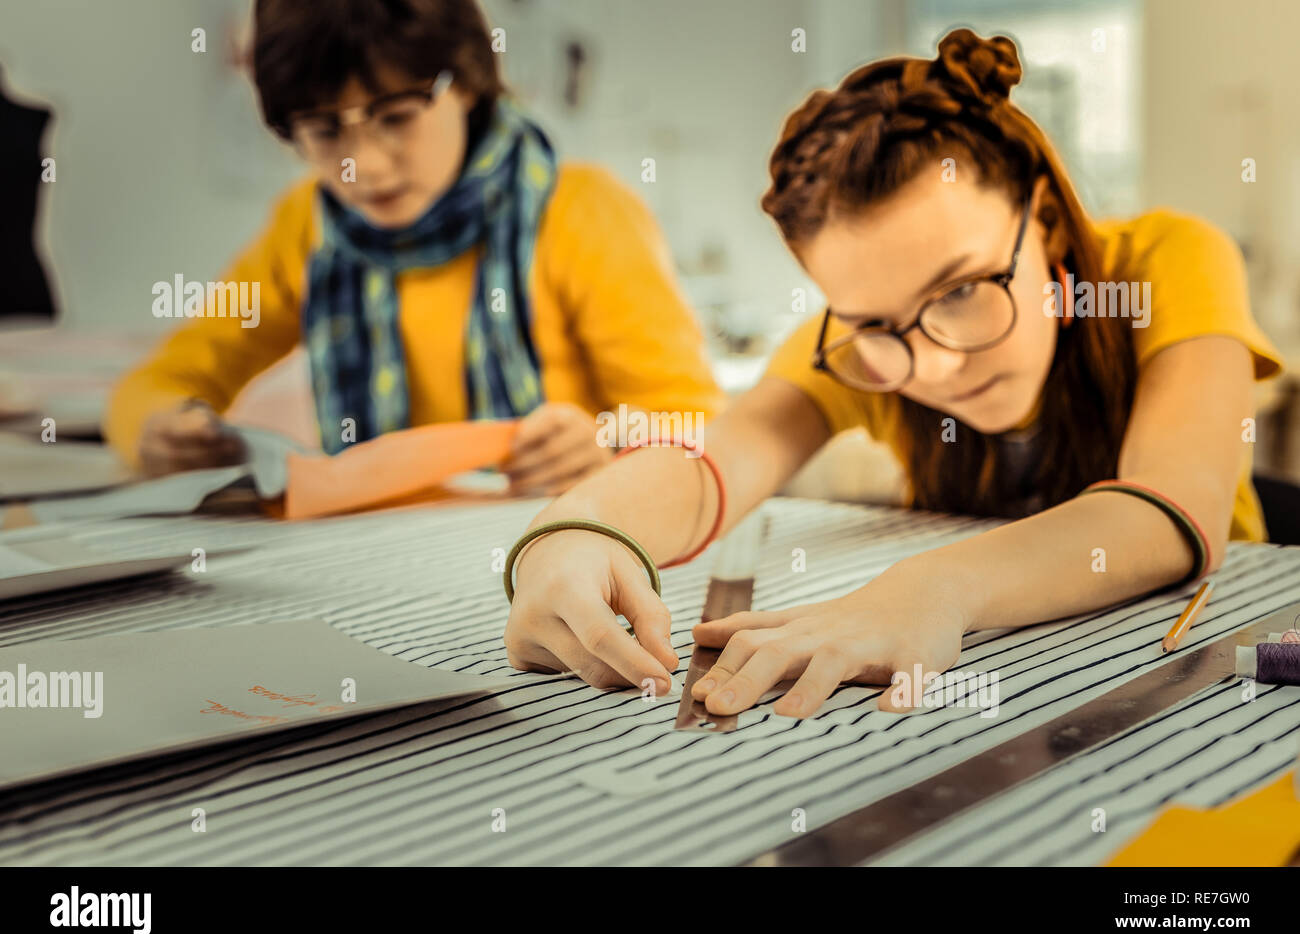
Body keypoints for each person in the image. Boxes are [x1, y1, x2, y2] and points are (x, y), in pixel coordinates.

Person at [500, 29, 1284, 718]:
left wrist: (934, 589)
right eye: (874, 323)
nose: (935, 362)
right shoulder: (852, 346)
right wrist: (576, 528)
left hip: (1228, 655)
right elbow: (712, 469)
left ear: (1042, 220)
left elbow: (1169, 506)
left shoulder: (1167, 264)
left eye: (964, 290)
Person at [105, 0, 722, 496]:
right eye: (323, 131)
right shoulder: (305, 226)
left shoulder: (580, 210)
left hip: (554, 551)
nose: (364, 166)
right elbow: (164, 379)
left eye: (397, 116)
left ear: (469, 84)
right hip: (376, 563)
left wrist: (606, 444)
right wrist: (158, 429)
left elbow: (696, 421)